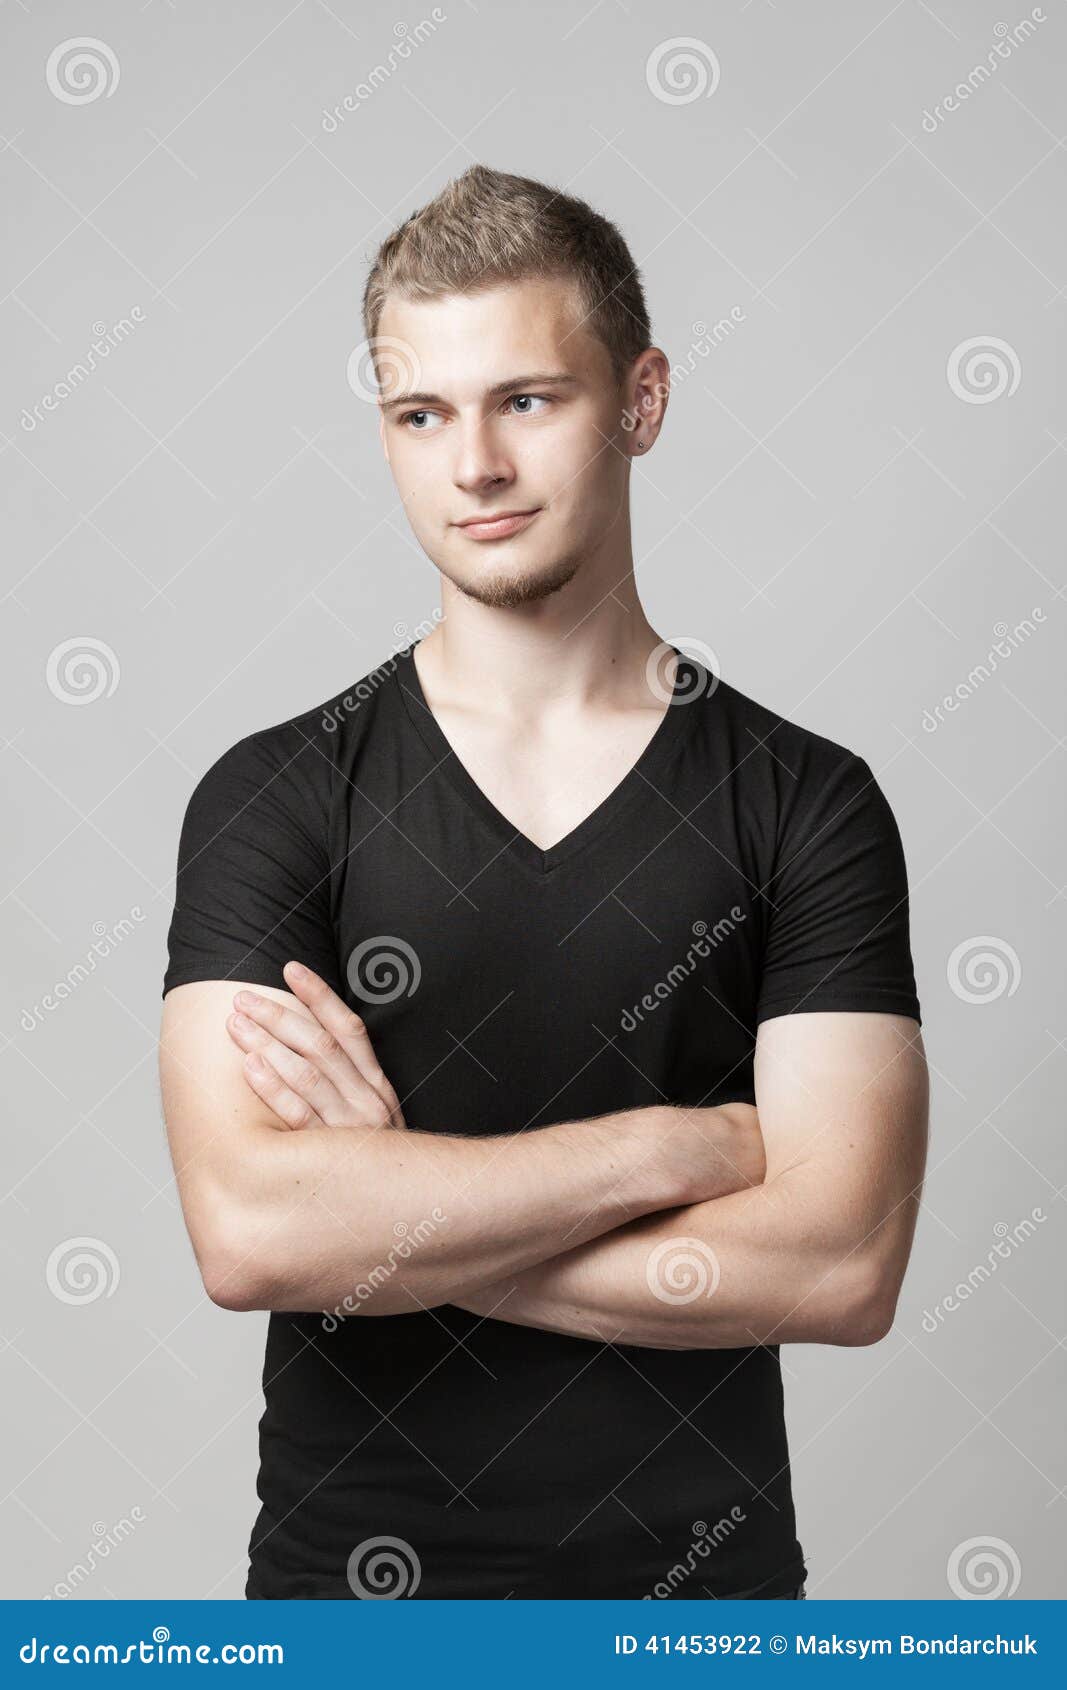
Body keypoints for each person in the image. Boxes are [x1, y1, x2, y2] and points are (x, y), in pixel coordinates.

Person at [159, 164, 928, 1602]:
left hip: (703, 1615)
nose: (476, 469)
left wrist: (390, 1228)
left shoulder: (807, 803)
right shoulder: (274, 795)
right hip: (350, 1618)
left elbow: (840, 1264)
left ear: (639, 402)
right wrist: (673, 1152)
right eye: (420, 415)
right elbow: (253, 1232)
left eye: (528, 399)